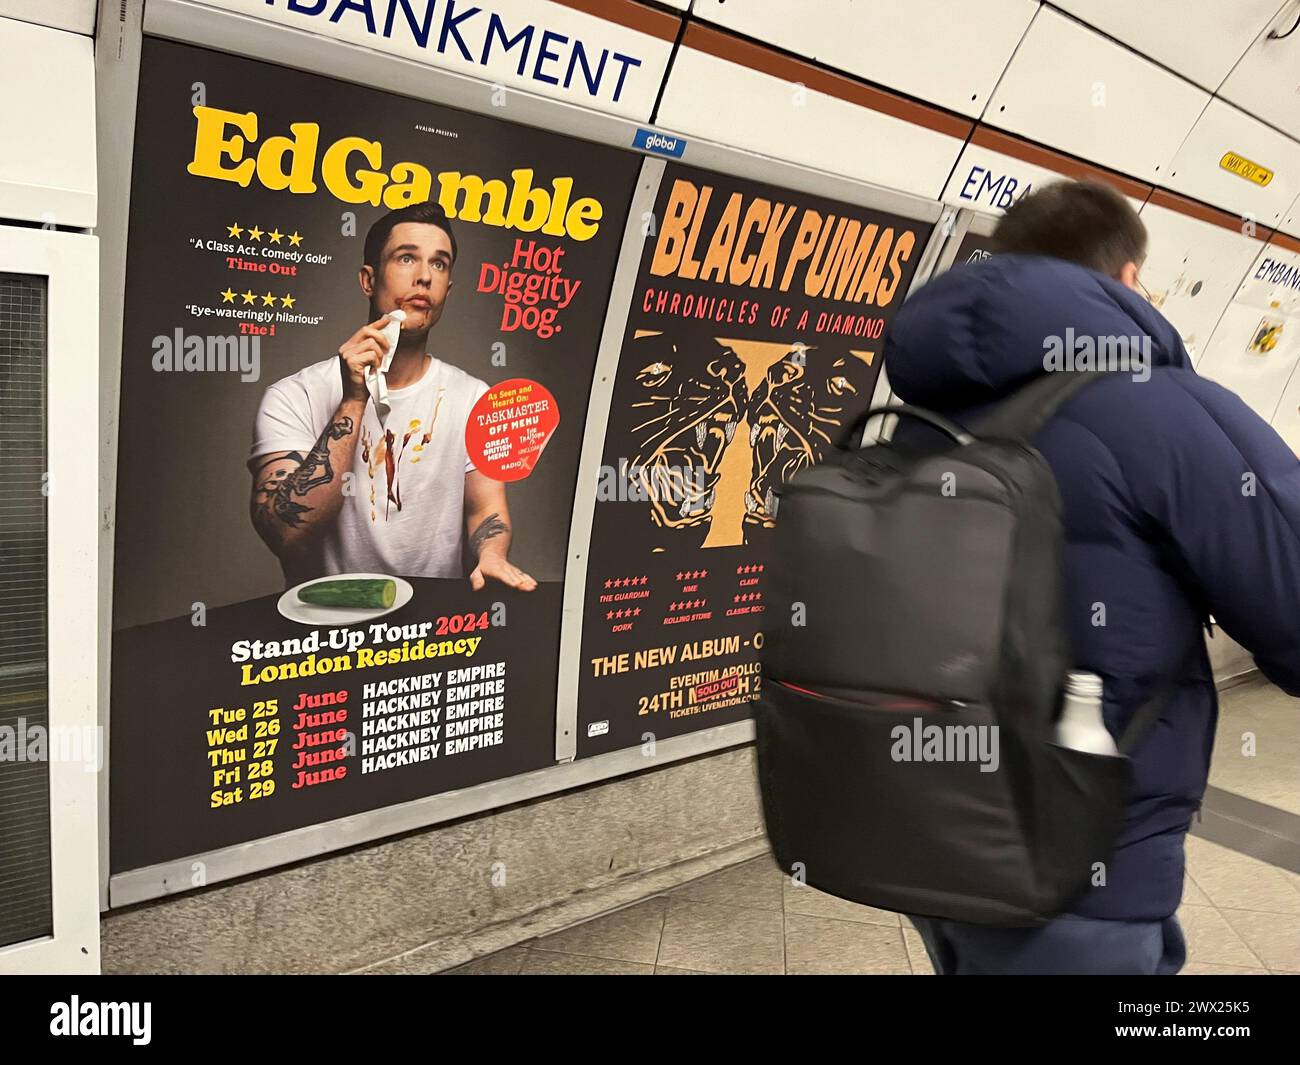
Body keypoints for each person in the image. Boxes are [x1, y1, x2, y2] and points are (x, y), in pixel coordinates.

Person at [883, 179, 1300, 975]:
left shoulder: (914, 417)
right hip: (1077, 862)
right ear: (1130, 279)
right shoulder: (1167, 409)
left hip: (922, 826)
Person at [248, 201, 536, 593]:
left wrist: (492, 555)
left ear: (448, 289)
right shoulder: (293, 396)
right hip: (323, 630)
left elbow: (485, 509)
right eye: (406, 258)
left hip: (432, 629)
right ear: (368, 279)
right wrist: (353, 398)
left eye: (439, 264)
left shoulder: (474, 399)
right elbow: (284, 532)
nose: (423, 277)